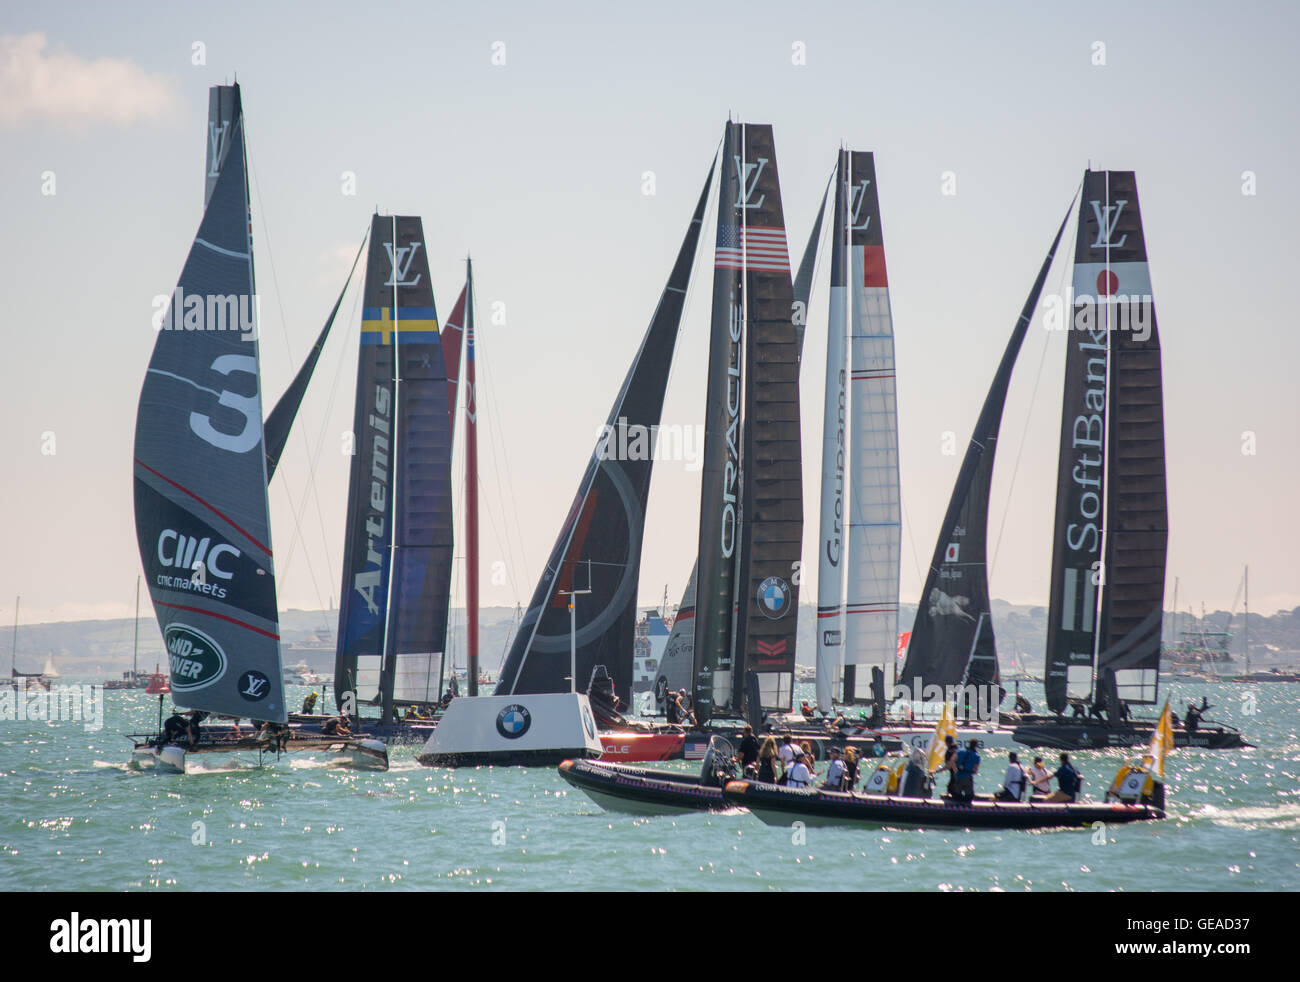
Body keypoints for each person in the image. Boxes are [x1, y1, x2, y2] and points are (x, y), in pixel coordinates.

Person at [953, 738, 980, 803]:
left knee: (957, 796)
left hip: (958, 776)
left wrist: (956, 771)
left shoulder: (960, 751)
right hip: (967, 777)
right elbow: (975, 771)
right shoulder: (976, 756)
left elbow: (952, 762)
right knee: (969, 797)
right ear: (976, 746)